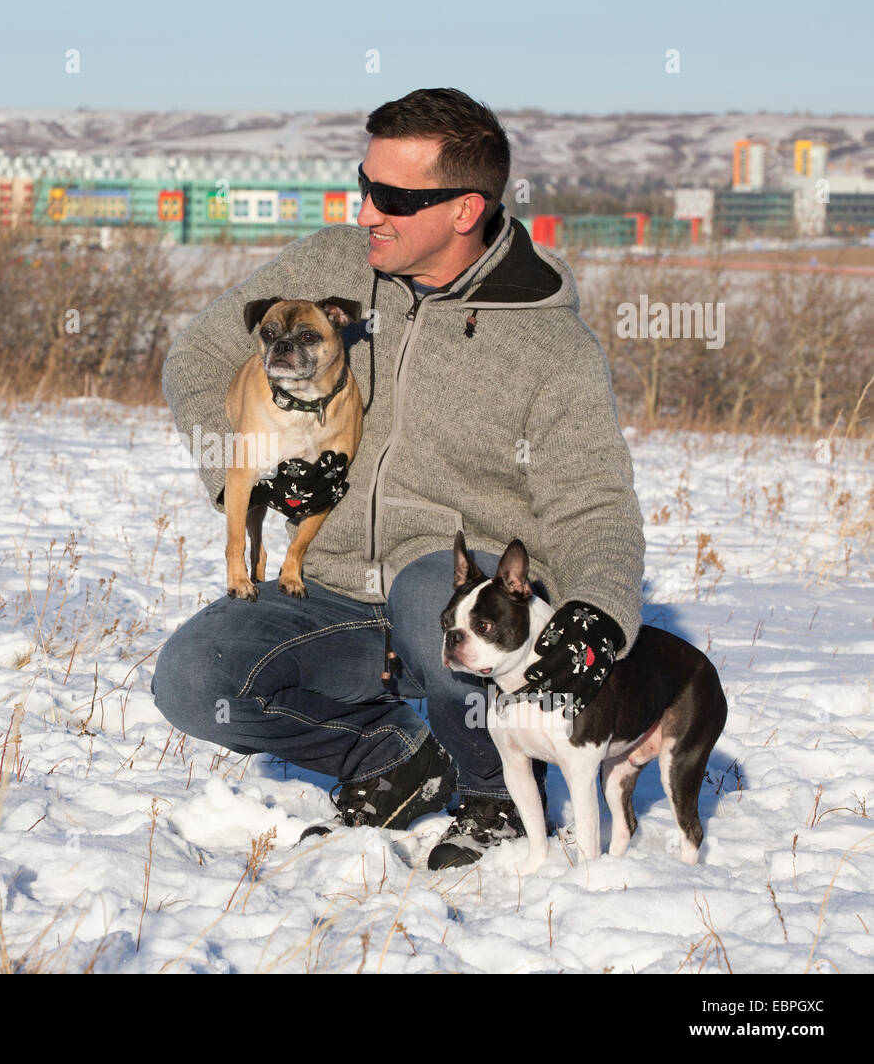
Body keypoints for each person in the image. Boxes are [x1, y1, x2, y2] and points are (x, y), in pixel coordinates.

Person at [152, 88, 644, 869]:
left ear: (464, 209)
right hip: (333, 582)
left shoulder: (553, 347)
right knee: (193, 677)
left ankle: (495, 798)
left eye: (394, 198)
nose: (368, 212)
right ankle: (394, 753)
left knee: (429, 594)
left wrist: (597, 620)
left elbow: (595, 503)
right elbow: (201, 358)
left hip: (457, 594)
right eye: (364, 184)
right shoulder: (330, 265)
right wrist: (245, 477)